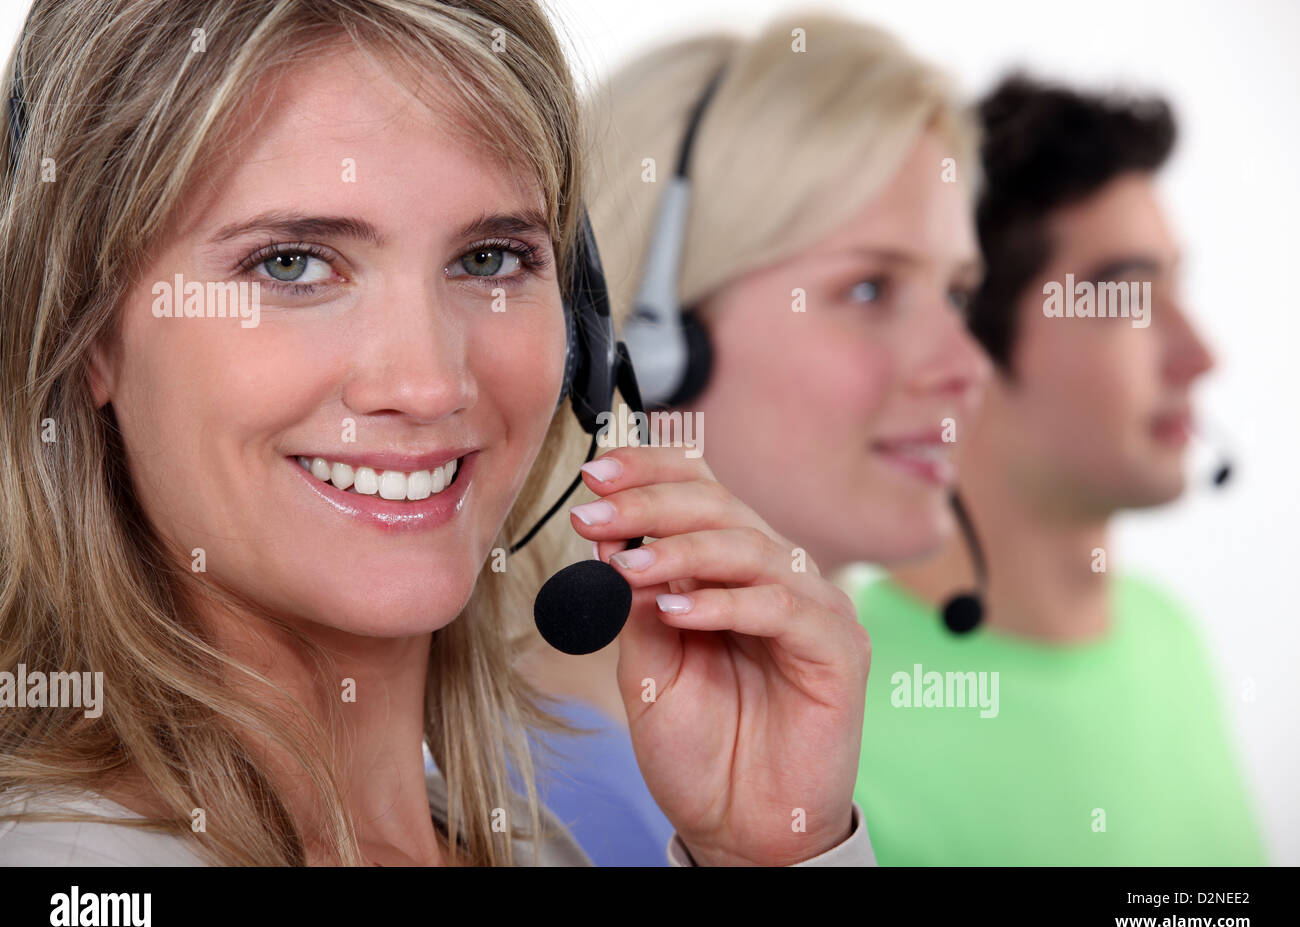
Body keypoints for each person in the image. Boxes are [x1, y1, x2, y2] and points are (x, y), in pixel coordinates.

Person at [0, 0, 872, 867]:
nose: (427, 383)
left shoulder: (530, 847)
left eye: (489, 259)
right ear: (87, 333)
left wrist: (768, 854)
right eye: (292, 263)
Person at [518, 12, 990, 864]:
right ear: (650, 342)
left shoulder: (810, 767)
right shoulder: (537, 811)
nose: (966, 367)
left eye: (956, 295)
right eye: (872, 289)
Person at [851, 74, 1267, 865]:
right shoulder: (825, 708)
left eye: (1179, 289)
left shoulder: (1169, 637)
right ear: (963, 339)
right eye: (1131, 298)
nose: (1201, 354)